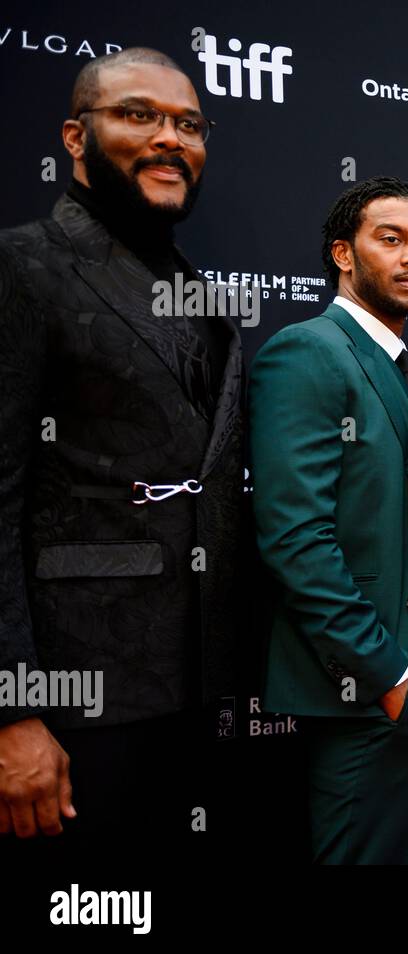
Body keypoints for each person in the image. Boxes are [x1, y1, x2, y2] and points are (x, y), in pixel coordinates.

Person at [0, 48, 244, 858]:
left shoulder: (202, 296)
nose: (171, 138)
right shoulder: (22, 266)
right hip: (73, 706)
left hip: (197, 691)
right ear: (75, 137)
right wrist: (14, 715)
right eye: (138, 115)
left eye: (189, 124)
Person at [249, 176, 408, 864]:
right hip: (363, 694)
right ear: (343, 253)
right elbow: (296, 539)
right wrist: (389, 680)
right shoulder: (309, 351)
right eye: (391, 239)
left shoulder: (390, 362)